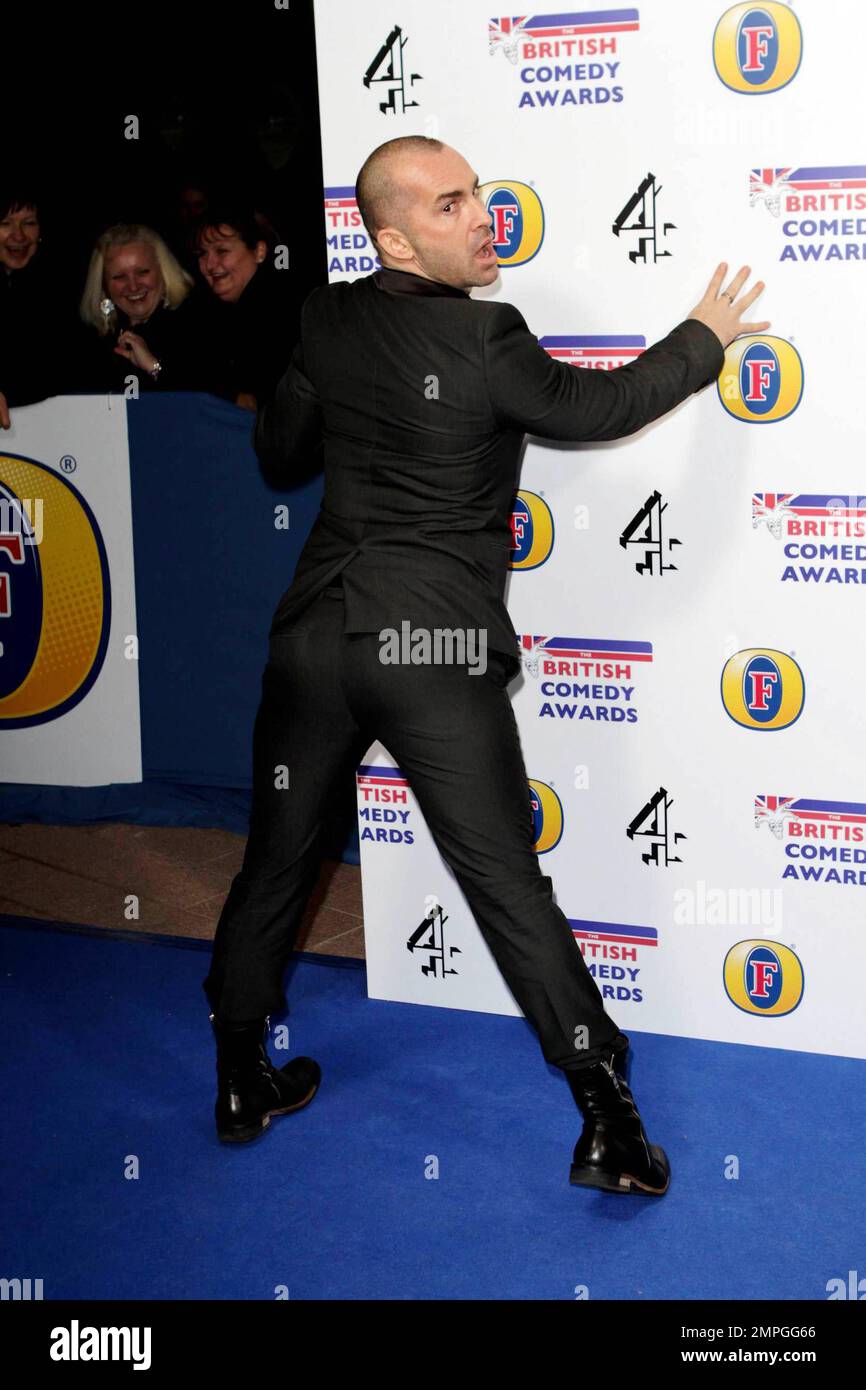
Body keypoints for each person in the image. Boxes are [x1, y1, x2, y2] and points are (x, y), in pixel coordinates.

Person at [202, 137, 769, 1196]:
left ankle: (238, 1080)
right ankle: (606, 1122)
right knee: (506, 881)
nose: (483, 217)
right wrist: (702, 338)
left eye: (480, 196)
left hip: (313, 639)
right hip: (427, 645)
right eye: (454, 203)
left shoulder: (325, 319)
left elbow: (280, 456)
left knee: (276, 859)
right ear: (393, 236)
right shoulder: (482, 335)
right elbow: (591, 410)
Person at [78, 223, 218, 394]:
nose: (133, 286)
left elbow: (212, 401)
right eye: (119, 277)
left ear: (163, 271)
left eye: (143, 272)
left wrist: (154, 367)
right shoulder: (90, 337)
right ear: (104, 285)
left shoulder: (199, 322)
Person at [194, 205, 301, 412]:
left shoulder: (280, 311)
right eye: (202, 254)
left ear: (259, 252)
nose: (210, 264)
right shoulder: (210, 314)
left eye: (222, 251)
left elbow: (261, 402)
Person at [0, 187, 78, 428]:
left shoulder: (61, 288)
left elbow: (64, 369)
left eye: (29, 223)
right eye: (5, 223)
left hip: (48, 431)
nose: (18, 235)